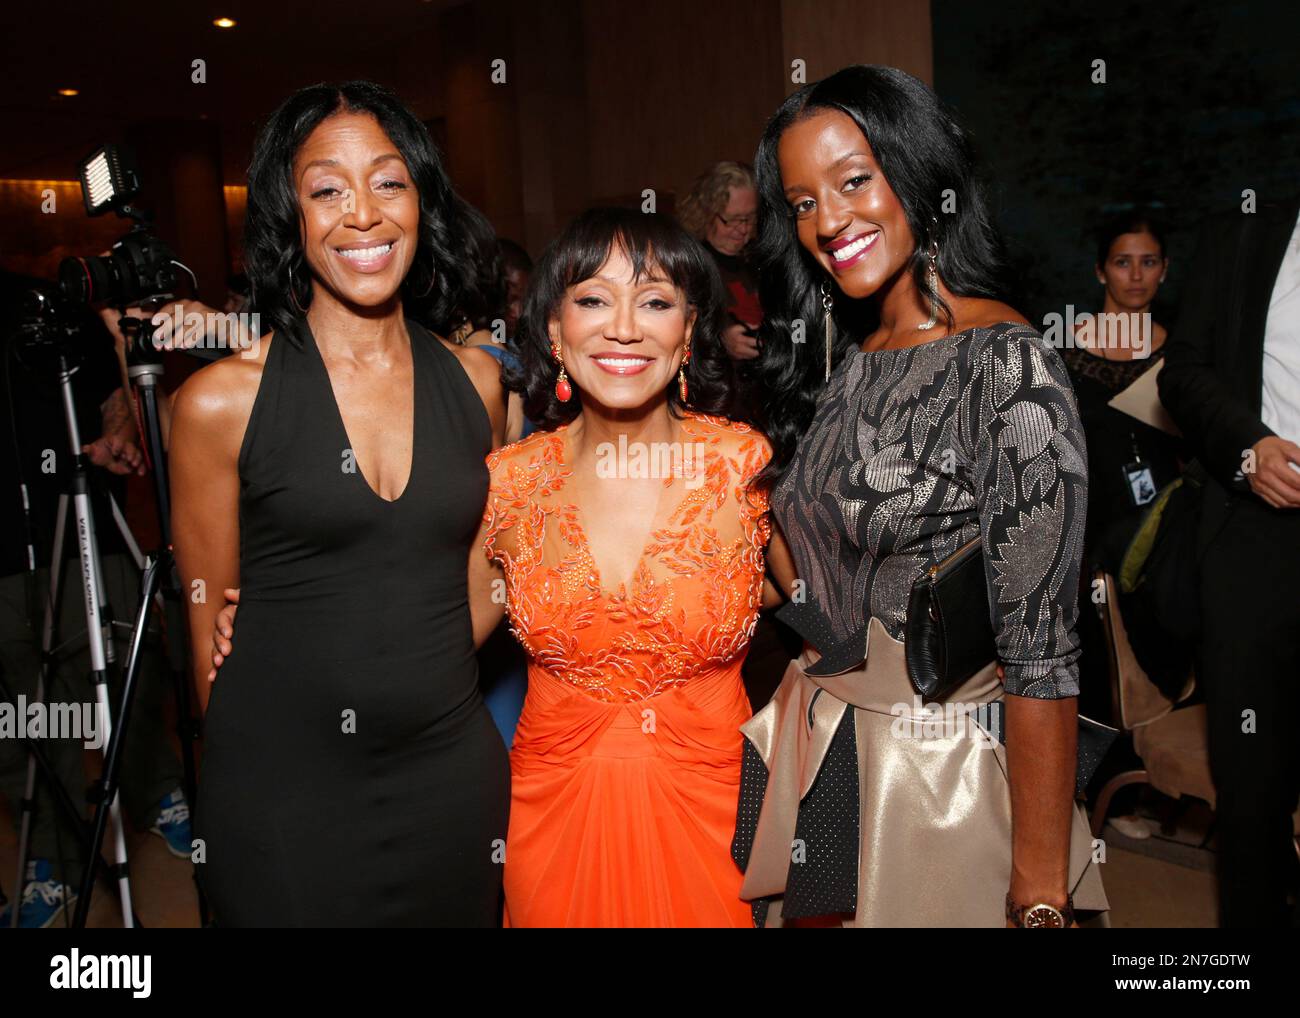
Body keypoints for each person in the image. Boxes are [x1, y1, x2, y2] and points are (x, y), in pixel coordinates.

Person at [734, 65, 1106, 927]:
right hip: (823, 751)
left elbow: (1043, 655)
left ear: (920, 174)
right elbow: (815, 570)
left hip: (940, 780)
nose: (828, 222)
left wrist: (1041, 892)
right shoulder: (846, 364)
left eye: (853, 180)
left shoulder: (1005, 363)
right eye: (799, 203)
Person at [169, 81, 510, 927]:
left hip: (448, 780)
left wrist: (394, 661)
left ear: (421, 201)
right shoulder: (219, 403)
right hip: (283, 792)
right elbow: (205, 621)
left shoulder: (478, 383)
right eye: (328, 189)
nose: (363, 213)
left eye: (389, 181)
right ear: (291, 214)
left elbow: (483, 581)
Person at [481, 207, 772, 926]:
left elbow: (836, 629)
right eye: (592, 299)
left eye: (654, 301)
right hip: (550, 827)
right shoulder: (508, 483)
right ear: (554, 330)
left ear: (687, 330)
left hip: (717, 823)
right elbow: (430, 642)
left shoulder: (744, 467)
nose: (623, 328)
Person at [0, 275, 188, 927]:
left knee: (126, 671)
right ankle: (49, 858)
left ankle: (161, 795)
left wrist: (120, 427)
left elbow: (118, 397)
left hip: (90, 523)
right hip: (2, 557)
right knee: (24, 708)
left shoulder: (57, 305)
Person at [1158, 193, 1300, 927]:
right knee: (1253, 784)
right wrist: (1249, 448)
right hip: (1257, 535)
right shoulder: (1244, 239)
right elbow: (1183, 371)